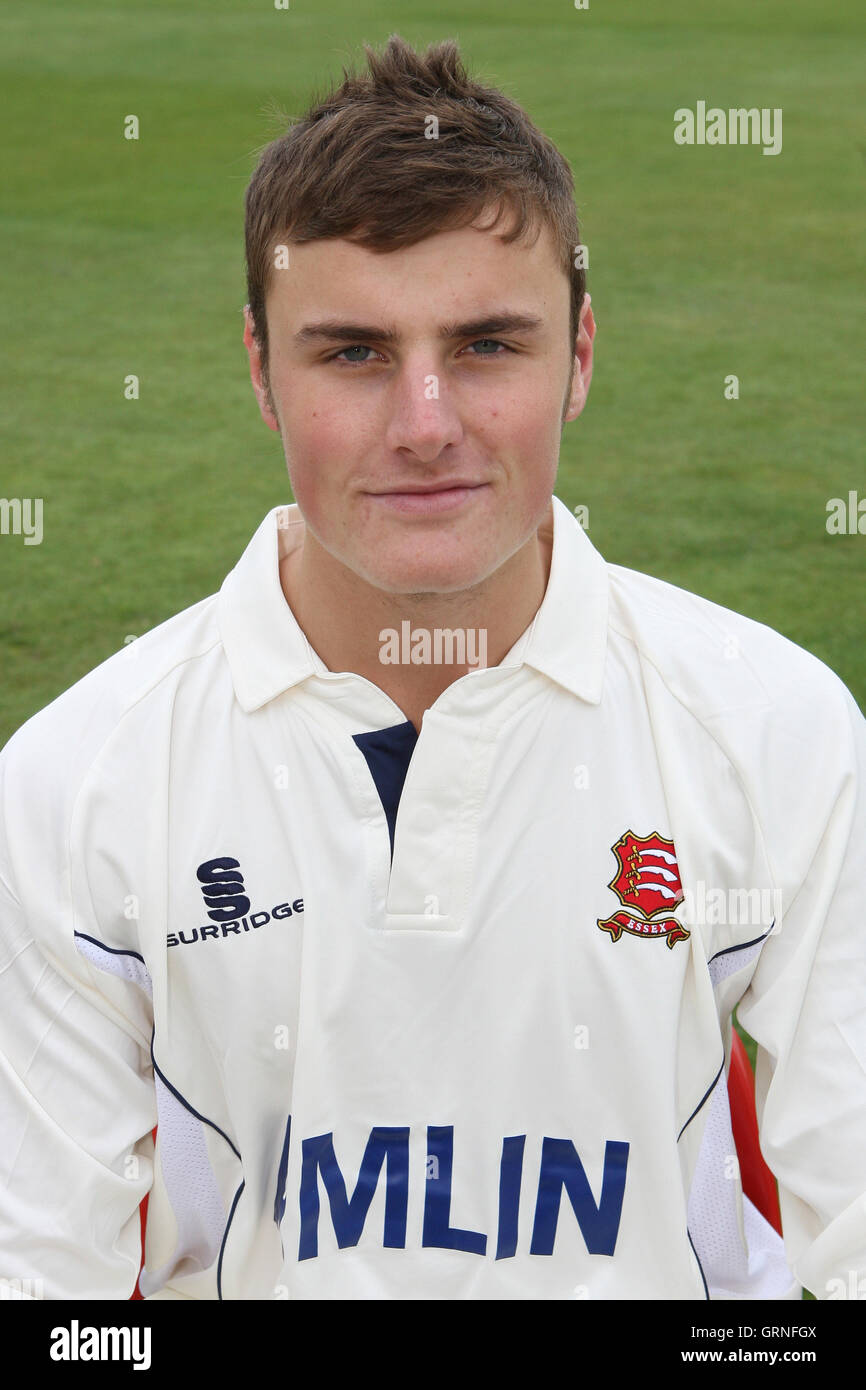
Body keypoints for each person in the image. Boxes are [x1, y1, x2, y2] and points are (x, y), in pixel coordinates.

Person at [1, 33, 864, 1303]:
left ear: (576, 359)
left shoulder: (776, 726)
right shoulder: (71, 786)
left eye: (486, 347)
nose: (423, 425)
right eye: (351, 352)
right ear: (259, 371)